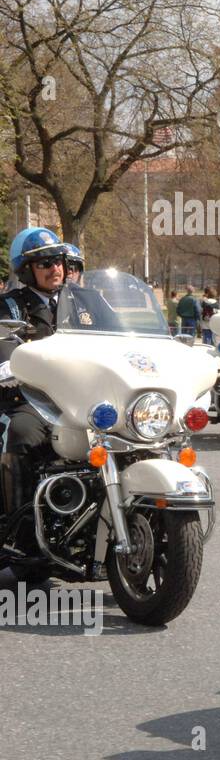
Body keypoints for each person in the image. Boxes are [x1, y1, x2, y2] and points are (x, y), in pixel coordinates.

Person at [0, 228, 72, 552]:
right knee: (23, 431)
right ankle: (22, 534)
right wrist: (10, 367)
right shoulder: (11, 307)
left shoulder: (84, 302)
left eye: (57, 260)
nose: (54, 268)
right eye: (44, 263)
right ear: (27, 270)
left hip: (81, 399)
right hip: (31, 399)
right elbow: (5, 352)